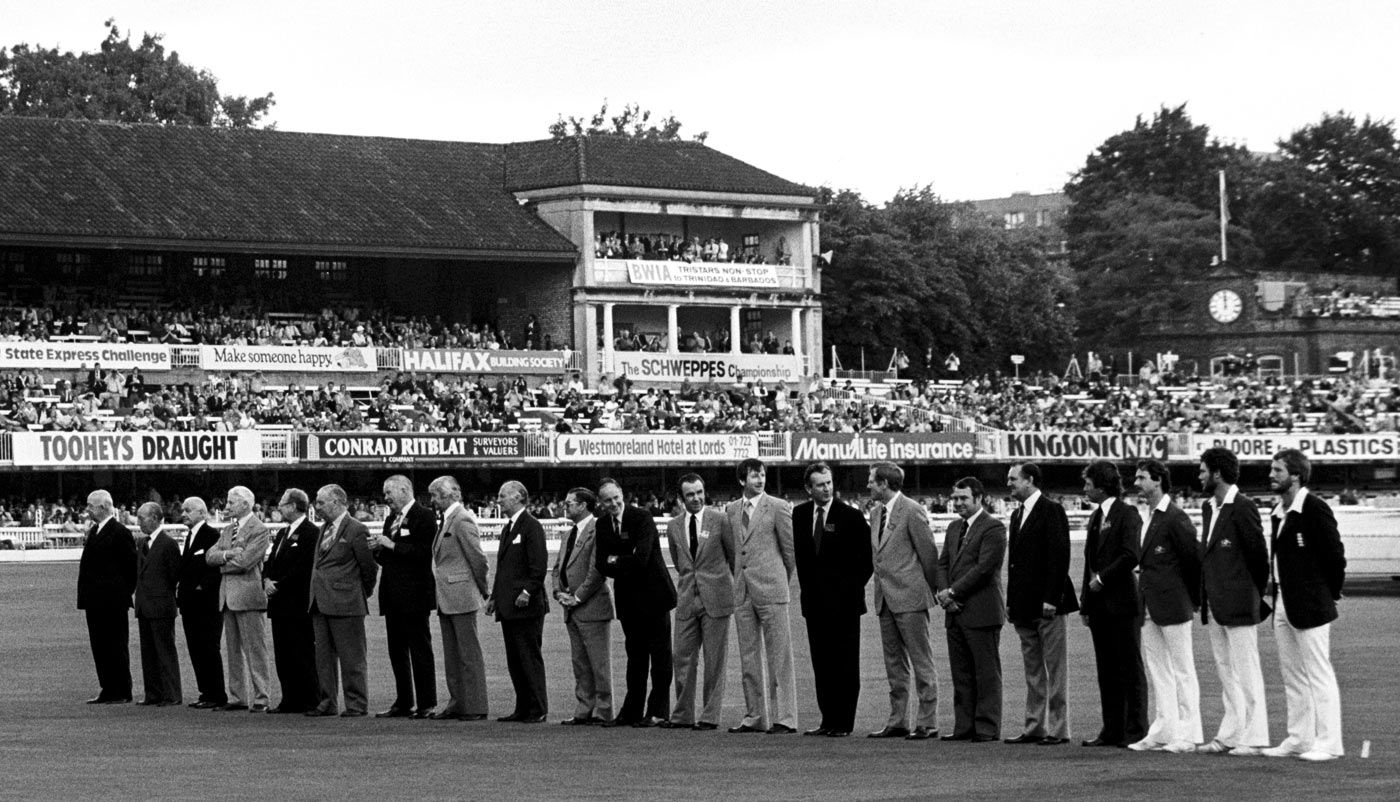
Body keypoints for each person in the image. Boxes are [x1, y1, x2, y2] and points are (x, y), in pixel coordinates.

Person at [1264, 449, 1346, 762]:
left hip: (1311, 602)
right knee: (1293, 675)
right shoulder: (1279, 510)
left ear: (1295, 475)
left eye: (1277, 470)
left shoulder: (1314, 508)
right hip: (1283, 601)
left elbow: (1334, 557)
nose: (1271, 476)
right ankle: (1299, 738)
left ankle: (1329, 743)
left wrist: (1329, 594)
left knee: (1318, 673)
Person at [1196, 447, 1270, 756]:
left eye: (1202, 470)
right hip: (1215, 603)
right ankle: (1230, 734)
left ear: (1217, 473)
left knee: (1247, 672)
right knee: (1227, 673)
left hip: (1239, 602)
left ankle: (1254, 737)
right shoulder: (1209, 507)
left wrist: (1249, 594)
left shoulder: (1243, 507)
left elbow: (1259, 559)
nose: (1198, 476)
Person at [792, 462, 872, 738]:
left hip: (845, 606)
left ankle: (843, 722)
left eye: (829, 483)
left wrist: (844, 592)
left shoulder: (851, 516)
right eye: (820, 484)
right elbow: (802, 561)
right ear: (808, 489)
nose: (826, 488)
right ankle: (827, 719)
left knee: (845, 665)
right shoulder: (800, 515)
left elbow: (865, 563)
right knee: (822, 664)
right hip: (814, 605)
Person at [865, 462, 944, 740]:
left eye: (872, 481)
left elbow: (929, 555)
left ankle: (927, 721)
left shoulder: (912, 510)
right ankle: (898, 720)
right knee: (894, 664)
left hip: (910, 597)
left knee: (921, 661)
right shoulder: (876, 513)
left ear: (884, 483)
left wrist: (932, 591)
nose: (868, 485)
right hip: (885, 599)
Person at [1130, 459, 1202, 753]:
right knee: (1158, 670)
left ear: (1158, 480)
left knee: (1183, 670)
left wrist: (1191, 600)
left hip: (1173, 604)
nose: (1136, 483)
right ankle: (1163, 729)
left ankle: (1188, 733)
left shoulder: (1175, 517)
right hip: (1148, 604)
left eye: (1142, 478)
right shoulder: (1147, 517)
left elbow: (1192, 561)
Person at [1003, 462, 1078, 746]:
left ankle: (1059, 729)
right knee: (1033, 671)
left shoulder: (1052, 510)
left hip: (1047, 604)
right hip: (1022, 605)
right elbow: (1014, 563)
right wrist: (1011, 601)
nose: (1009, 484)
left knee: (1055, 670)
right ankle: (1034, 726)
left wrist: (1051, 598)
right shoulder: (1016, 515)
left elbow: (1059, 557)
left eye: (1013, 479)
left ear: (1030, 480)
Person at [595, 477, 677, 727]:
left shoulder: (641, 517)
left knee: (660, 659)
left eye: (616, 498)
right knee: (636, 659)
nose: (613, 503)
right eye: (607, 500)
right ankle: (631, 712)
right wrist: (622, 559)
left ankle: (657, 711)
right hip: (629, 602)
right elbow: (601, 564)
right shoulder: (602, 525)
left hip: (654, 597)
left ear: (623, 494)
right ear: (601, 502)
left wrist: (615, 560)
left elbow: (641, 559)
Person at [724, 458, 797, 735]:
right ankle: (755, 715)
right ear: (742, 480)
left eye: (763, 475)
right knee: (748, 657)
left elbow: (789, 553)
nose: (760, 480)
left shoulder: (778, 507)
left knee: (780, 657)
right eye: (754, 476)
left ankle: (786, 718)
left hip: (772, 590)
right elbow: (734, 551)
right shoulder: (732, 510)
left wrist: (778, 580)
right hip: (743, 592)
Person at [1078, 461, 1147, 748]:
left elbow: (1131, 555)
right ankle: (1112, 729)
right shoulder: (1096, 517)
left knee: (1129, 668)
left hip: (1122, 603)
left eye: (1088, 484)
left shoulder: (1127, 513)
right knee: (1106, 670)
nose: (1084, 489)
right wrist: (1085, 602)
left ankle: (1135, 730)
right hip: (1100, 606)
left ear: (1102, 485)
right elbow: (1089, 563)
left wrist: (1102, 580)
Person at [935, 477, 1006, 742]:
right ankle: (964, 726)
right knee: (961, 673)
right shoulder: (954, 527)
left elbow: (985, 568)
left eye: (964, 498)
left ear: (979, 498)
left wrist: (952, 592)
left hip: (982, 611)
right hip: (954, 612)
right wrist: (944, 594)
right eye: (955, 498)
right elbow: (943, 565)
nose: (958, 503)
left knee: (986, 673)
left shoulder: (994, 527)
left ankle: (986, 728)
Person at [665, 474, 735, 731]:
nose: (696, 498)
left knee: (715, 660)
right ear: (681, 499)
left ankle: (709, 716)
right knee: (682, 657)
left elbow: (733, 558)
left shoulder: (720, 520)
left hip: (716, 599)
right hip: (686, 599)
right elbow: (681, 563)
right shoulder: (673, 526)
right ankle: (683, 714)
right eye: (690, 495)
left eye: (699, 492)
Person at [306, 484, 378, 717]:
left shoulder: (356, 529)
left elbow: (369, 567)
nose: (317, 507)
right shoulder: (323, 529)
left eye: (321, 502)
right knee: (324, 659)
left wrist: (357, 593)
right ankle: (328, 702)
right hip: (320, 602)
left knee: (352, 658)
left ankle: (356, 704)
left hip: (347, 603)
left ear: (336, 502)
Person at [371, 475, 438, 718]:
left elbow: (422, 554)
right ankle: (404, 701)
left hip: (415, 595)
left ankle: (426, 703)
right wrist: (377, 550)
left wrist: (391, 545)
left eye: (389, 492)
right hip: (392, 595)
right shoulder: (391, 518)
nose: (386, 498)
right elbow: (389, 558)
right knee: (396, 651)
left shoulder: (425, 516)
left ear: (404, 489)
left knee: (420, 649)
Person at [427, 475, 490, 722]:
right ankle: (458, 703)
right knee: (453, 656)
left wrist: (483, 590)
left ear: (451, 493)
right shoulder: (448, 520)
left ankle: (474, 705)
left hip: (461, 595)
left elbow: (478, 559)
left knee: (468, 655)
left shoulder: (462, 519)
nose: (432, 500)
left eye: (434, 495)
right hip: (447, 596)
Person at [205, 485, 271, 712]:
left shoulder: (259, 529)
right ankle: (238, 697)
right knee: (232, 651)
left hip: (249, 597)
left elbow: (246, 562)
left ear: (245, 503)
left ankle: (261, 697)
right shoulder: (227, 530)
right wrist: (226, 555)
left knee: (255, 651)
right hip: (228, 598)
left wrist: (223, 565)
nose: (227, 506)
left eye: (231, 502)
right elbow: (210, 556)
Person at [552, 487, 615, 726]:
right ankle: (584, 707)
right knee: (579, 663)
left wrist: (577, 597)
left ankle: (603, 710)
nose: (565, 507)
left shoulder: (598, 529)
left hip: (591, 606)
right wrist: (558, 591)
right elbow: (558, 566)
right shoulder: (569, 534)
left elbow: (597, 570)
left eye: (569, 503)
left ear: (584, 505)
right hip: (571, 607)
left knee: (599, 663)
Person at [491, 480, 549, 723]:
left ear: (518, 498)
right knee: (515, 660)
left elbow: (538, 565)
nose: (499, 499)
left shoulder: (531, 526)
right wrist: (494, 597)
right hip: (509, 606)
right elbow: (503, 568)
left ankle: (537, 708)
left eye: (503, 495)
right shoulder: (509, 527)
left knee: (528, 658)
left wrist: (527, 591)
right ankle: (523, 707)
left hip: (526, 606)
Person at [77, 489, 136, 704]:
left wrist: (120, 594)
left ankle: (121, 689)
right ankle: (108, 687)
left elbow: (131, 568)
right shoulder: (95, 531)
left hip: (112, 602)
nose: (87, 510)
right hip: (94, 601)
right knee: (100, 646)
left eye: (90, 506)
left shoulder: (119, 532)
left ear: (103, 506)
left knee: (115, 645)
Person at [264, 488, 319, 714]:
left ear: (294, 506)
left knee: (302, 653)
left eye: (283, 504)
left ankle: (310, 698)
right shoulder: (282, 533)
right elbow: (271, 561)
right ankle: (289, 699)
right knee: (283, 654)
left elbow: (303, 568)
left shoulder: (310, 532)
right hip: (279, 605)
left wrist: (278, 585)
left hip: (297, 604)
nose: (279, 508)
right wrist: (266, 578)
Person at [177, 496, 227, 709]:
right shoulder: (189, 536)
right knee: (195, 649)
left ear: (202, 513)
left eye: (188, 510)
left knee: (208, 648)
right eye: (183, 510)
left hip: (206, 605)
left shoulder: (211, 535)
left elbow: (214, 570)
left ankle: (216, 694)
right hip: (190, 605)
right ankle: (205, 692)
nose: (184, 514)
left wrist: (200, 588)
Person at [133, 501, 182, 706]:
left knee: (165, 652)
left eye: (142, 518)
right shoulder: (143, 543)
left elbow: (174, 576)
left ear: (154, 518)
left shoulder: (168, 543)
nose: (138, 522)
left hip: (161, 606)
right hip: (144, 606)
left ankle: (171, 694)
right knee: (148, 653)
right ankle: (153, 693)